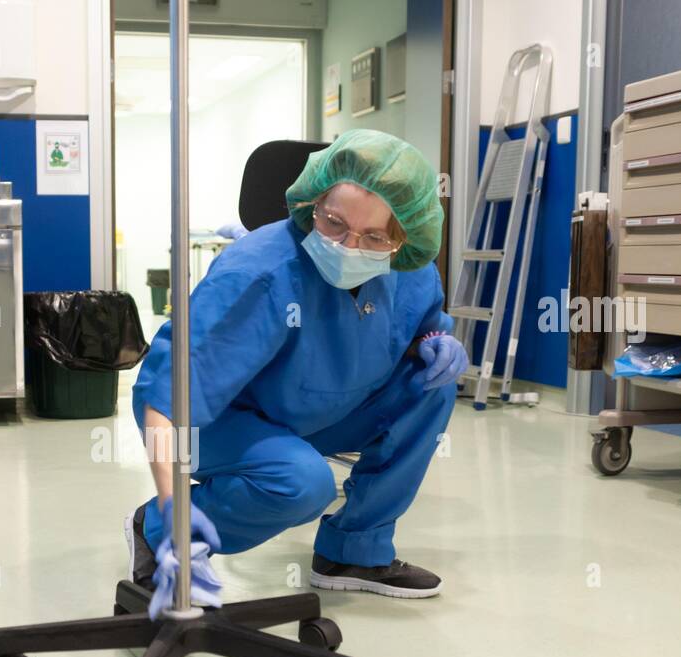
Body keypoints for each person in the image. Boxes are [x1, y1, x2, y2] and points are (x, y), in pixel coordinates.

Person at [127, 129, 466, 600]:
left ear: (401, 236)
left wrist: (436, 343)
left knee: (430, 386)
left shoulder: (406, 269)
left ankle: (352, 551)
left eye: (372, 236)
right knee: (301, 483)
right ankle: (156, 528)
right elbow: (169, 395)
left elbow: (418, 330)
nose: (348, 245)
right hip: (216, 419)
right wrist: (170, 508)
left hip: (315, 409)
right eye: (333, 223)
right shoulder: (261, 272)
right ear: (312, 205)